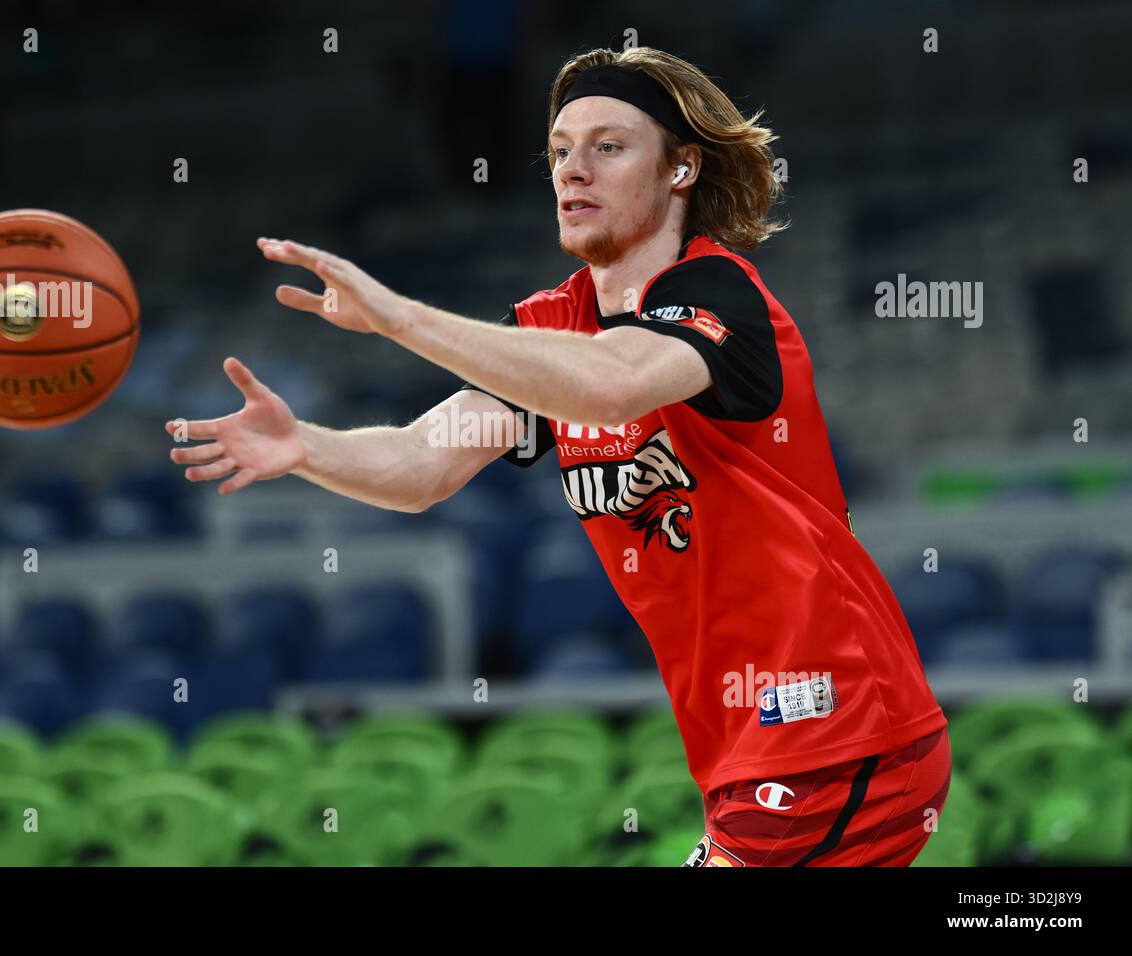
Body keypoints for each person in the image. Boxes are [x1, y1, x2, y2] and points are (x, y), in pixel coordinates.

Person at [165, 46, 950, 867]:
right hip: (752, 757)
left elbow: (614, 387)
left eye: (609, 146)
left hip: (837, 729)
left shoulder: (722, 295)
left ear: (682, 169)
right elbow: (421, 465)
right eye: (560, 150)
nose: (573, 170)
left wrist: (401, 318)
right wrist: (303, 448)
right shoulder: (554, 331)